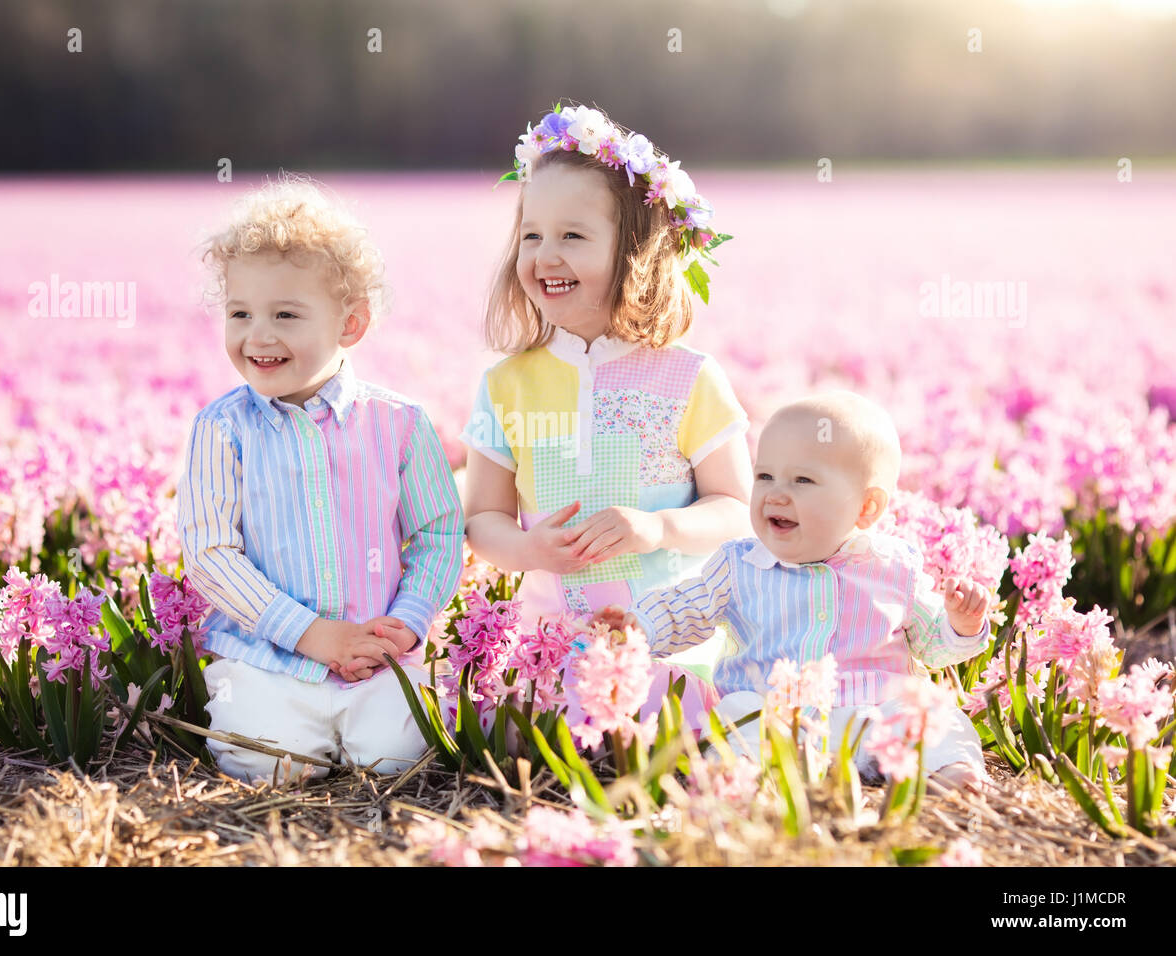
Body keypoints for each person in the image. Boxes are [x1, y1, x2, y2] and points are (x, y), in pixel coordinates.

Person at [460, 104, 754, 726]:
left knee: (670, 719)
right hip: (551, 649)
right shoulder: (506, 384)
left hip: (668, 648)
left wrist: (657, 529)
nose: (545, 256)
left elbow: (735, 510)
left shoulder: (689, 377)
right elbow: (484, 519)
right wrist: (528, 548)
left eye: (573, 236)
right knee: (515, 733)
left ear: (635, 251)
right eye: (532, 235)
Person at [177, 176, 464, 783]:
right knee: (267, 763)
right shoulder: (221, 428)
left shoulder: (401, 424)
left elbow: (438, 537)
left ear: (350, 324)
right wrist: (308, 634)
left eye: (285, 314)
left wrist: (407, 622)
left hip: (377, 654)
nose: (258, 335)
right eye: (240, 313)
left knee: (394, 759)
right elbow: (209, 555)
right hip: (264, 654)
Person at [596, 392, 993, 792]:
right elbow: (687, 608)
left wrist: (961, 624)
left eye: (802, 480)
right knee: (740, 712)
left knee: (930, 714)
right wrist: (642, 625)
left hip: (873, 721)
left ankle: (950, 773)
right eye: (764, 476)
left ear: (867, 507)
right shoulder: (741, 564)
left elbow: (934, 645)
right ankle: (739, 778)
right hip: (779, 719)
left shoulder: (893, 566)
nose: (776, 494)